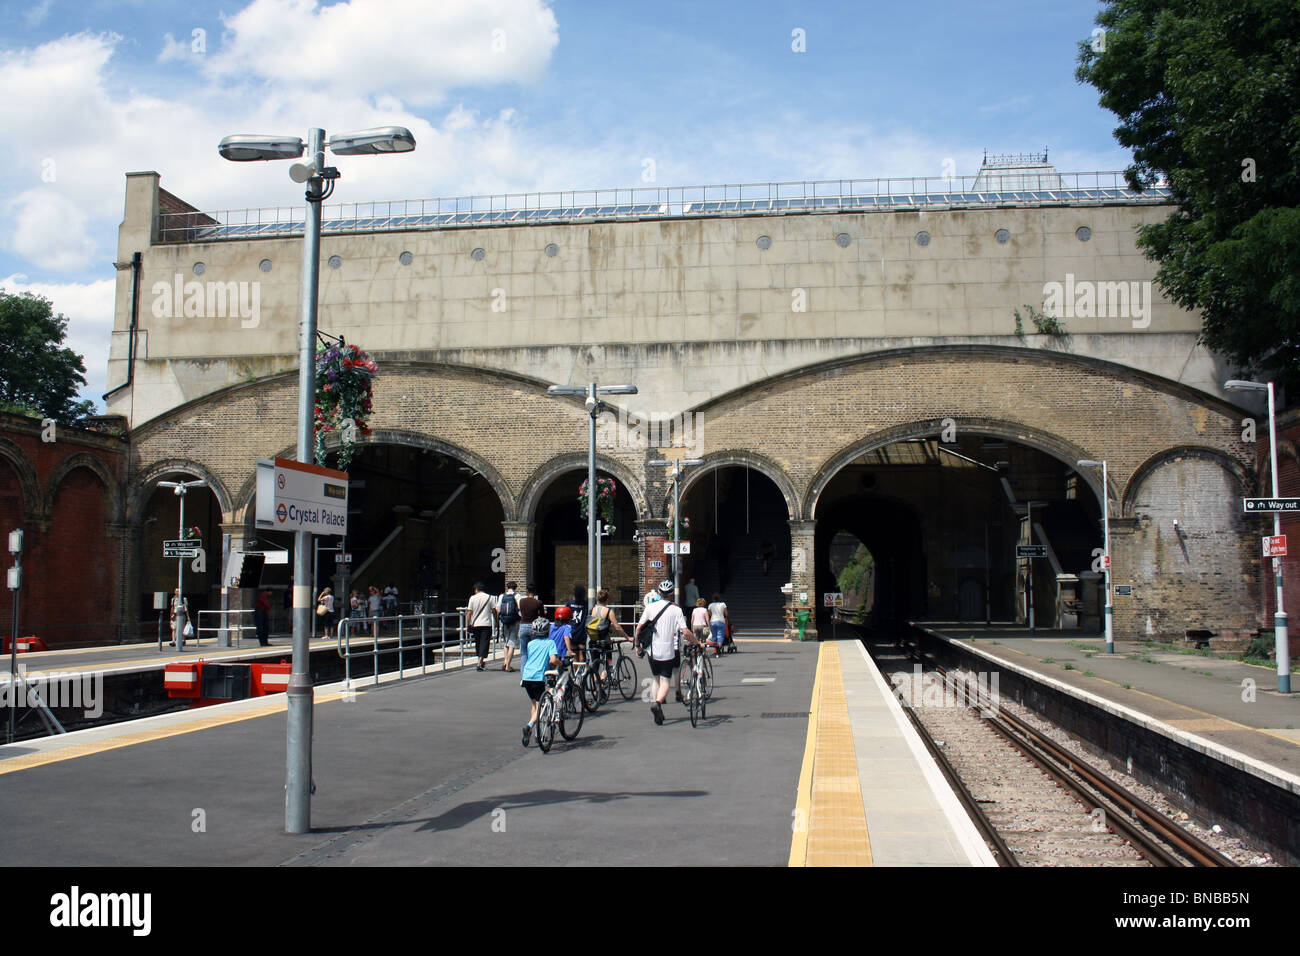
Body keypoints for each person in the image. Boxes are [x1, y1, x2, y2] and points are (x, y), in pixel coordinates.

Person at [636, 579, 700, 725]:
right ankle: (657, 703)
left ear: (659, 593)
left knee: (656, 679)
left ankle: (656, 705)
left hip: (652, 650)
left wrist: (638, 646)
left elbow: (639, 628)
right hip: (667, 650)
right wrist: (697, 642)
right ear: (671, 594)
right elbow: (685, 632)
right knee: (665, 681)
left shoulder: (650, 608)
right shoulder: (676, 610)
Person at [519, 610, 559, 747]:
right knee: (542, 705)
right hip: (538, 678)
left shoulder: (531, 644)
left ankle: (536, 732)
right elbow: (553, 660)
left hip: (526, 676)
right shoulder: (550, 643)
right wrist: (561, 663)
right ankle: (530, 726)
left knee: (534, 704)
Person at [586, 588, 629, 682]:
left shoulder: (592, 609)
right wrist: (627, 637)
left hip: (593, 640)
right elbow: (617, 627)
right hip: (604, 641)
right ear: (607, 600)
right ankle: (605, 674)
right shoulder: (609, 611)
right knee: (608, 660)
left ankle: (596, 689)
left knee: (595, 666)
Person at [466, 582, 495, 671]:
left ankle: (480, 661)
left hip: (476, 624)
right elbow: (494, 611)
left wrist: (468, 625)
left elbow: (469, 612)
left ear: (476, 589)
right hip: (486, 624)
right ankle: (480, 662)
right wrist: (497, 621)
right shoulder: (490, 597)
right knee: (484, 643)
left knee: (478, 643)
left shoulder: (472, 598)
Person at [495, 580, 522, 672]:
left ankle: (505, 662)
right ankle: (508, 666)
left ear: (507, 587)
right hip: (514, 621)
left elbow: (498, 609)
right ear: (515, 588)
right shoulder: (517, 596)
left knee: (506, 642)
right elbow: (519, 608)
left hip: (504, 621)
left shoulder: (502, 596)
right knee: (512, 643)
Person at [518, 582, 544, 650]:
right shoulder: (538, 602)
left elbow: (521, 611)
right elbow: (542, 615)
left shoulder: (521, 601)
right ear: (535, 592)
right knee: (533, 650)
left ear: (527, 591)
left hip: (523, 626)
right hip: (533, 626)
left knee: (524, 652)